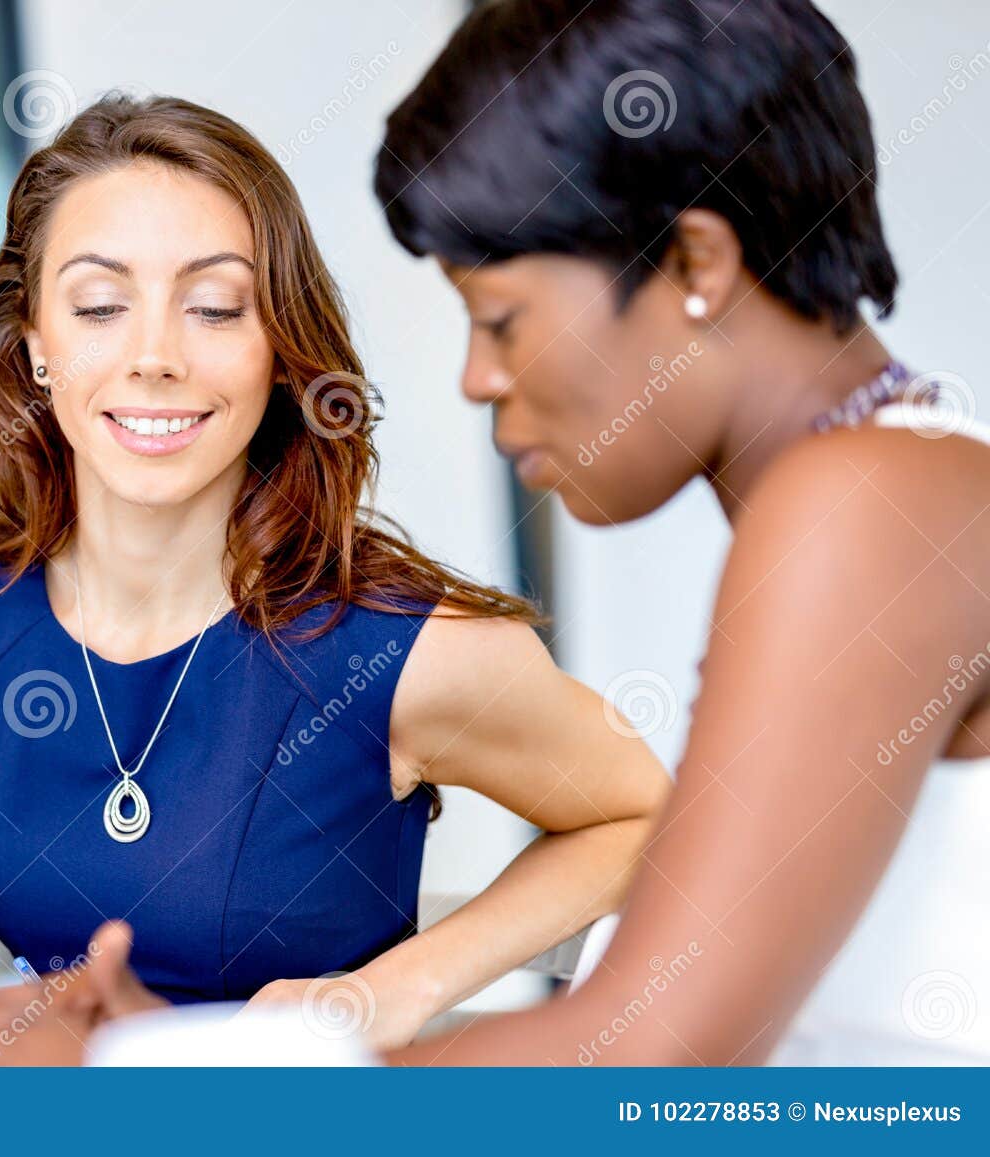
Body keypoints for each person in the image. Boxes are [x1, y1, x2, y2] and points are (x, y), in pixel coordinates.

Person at [0, 94, 670, 1066]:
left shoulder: (397, 646)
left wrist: (390, 989)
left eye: (212, 306)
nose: (153, 356)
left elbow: (655, 811)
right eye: (101, 306)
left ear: (278, 349)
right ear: (33, 348)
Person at [371, 0, 990, 1064]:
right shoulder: (890, 484)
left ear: (696, 262)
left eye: (502, 318)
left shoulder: (867, 505)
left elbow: (639, 1061)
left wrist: (154, 1085)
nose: (477, 378)